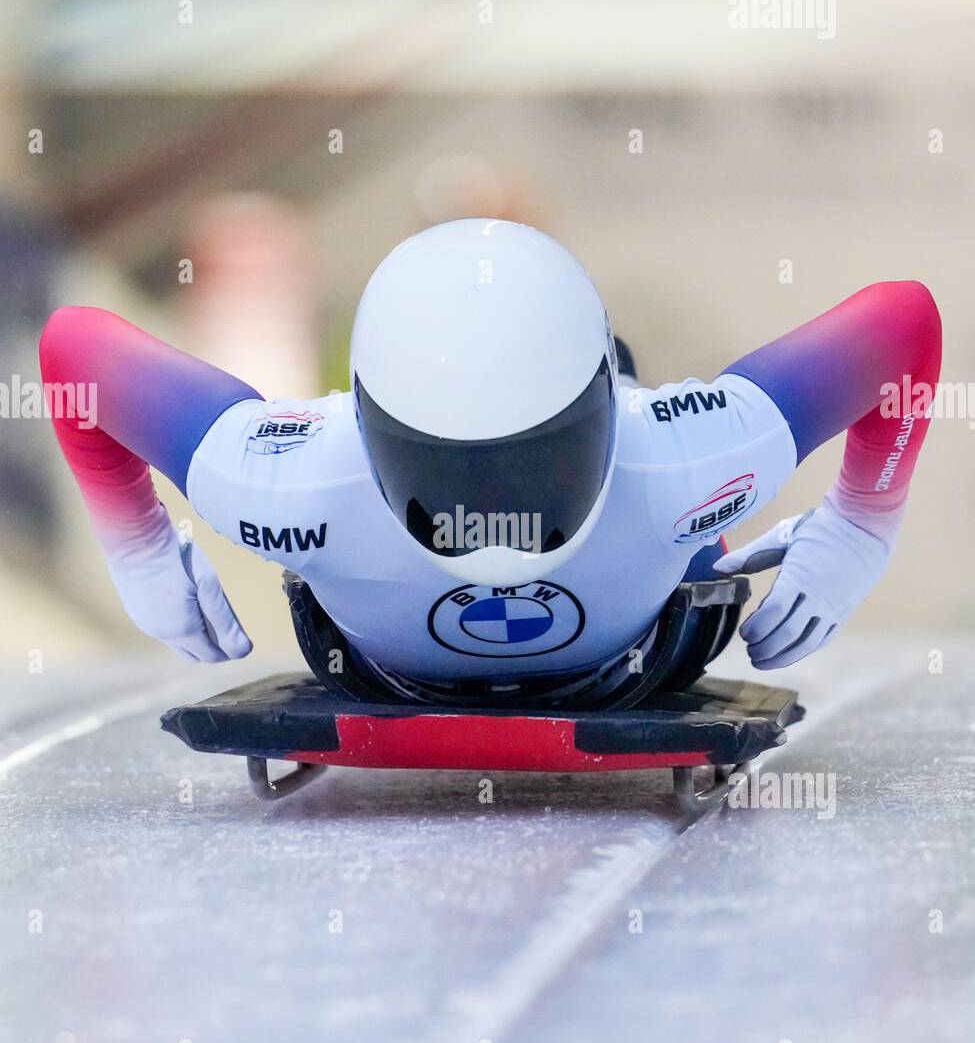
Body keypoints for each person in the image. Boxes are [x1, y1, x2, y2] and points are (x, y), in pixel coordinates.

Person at [40, 219, 940, 696]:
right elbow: (900, 322)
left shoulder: (276, 480)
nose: (493, 523)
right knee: (678, 507)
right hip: (641, 614)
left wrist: (140, 539)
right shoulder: (693, 457)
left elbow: (77, 351)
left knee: (677, 506)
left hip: (412, 634)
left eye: (531, 461)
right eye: (451, 468)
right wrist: (863, 514)